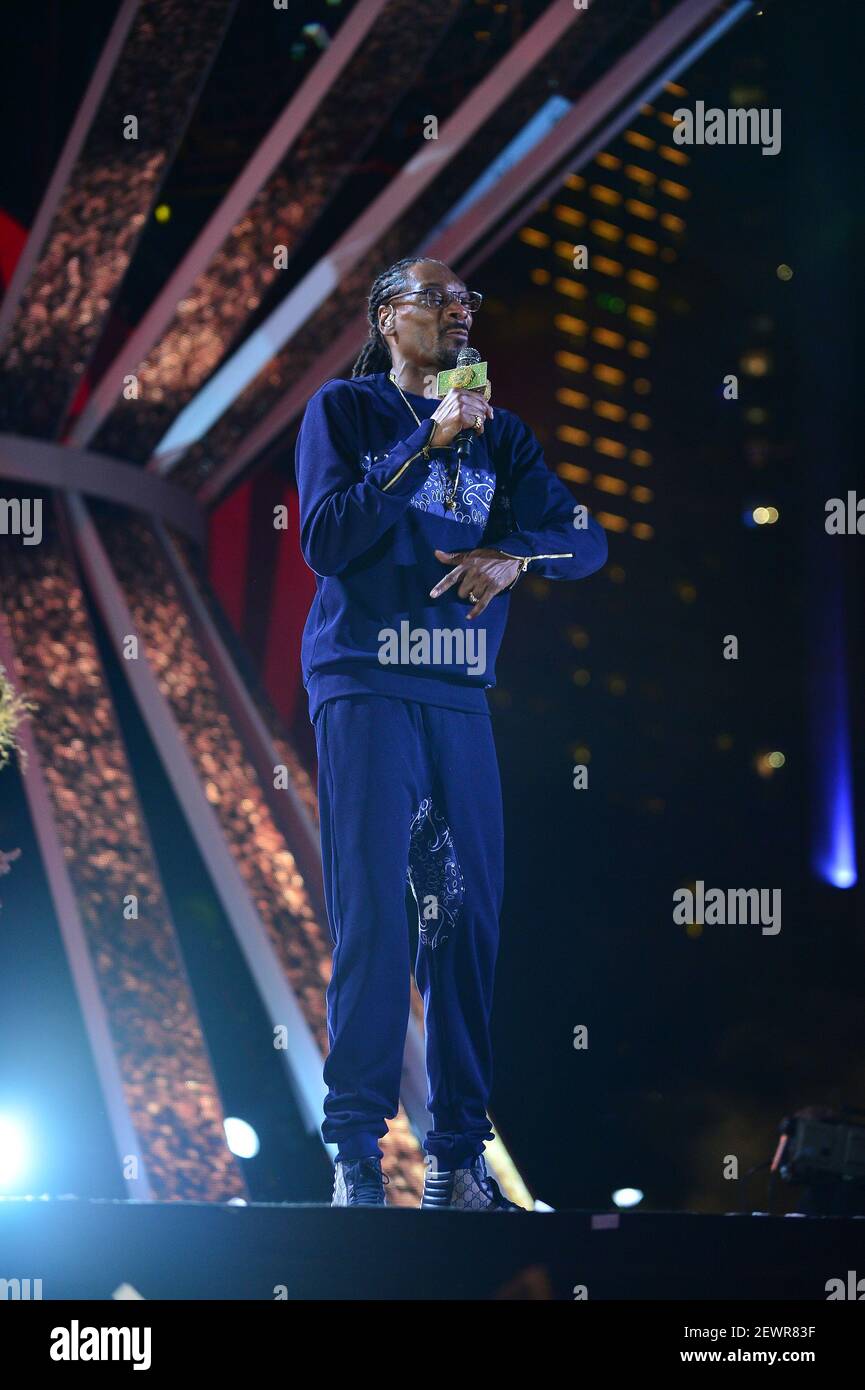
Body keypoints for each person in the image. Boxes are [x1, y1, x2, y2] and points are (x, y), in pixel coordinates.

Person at [295, 257, 607, 1208]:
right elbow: (327, 539)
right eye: (437, 299)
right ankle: (355, 1154)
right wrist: (423, 445)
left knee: (464, 921)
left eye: (468, 300)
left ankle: (458, 1157)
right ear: (390, 317)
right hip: (365, 685)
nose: (459, 313)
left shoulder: (503, 438)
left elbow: (584, 539)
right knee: (378, 918)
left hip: (458, 695)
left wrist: (515, 554)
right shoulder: (344, 415)